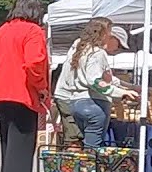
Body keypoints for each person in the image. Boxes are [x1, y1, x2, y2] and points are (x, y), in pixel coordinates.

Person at [0, 0, 49, 172]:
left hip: (0, 90)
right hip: (22, 91)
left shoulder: (2, 30)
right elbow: (35, 63)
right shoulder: (33, 31)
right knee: (22, 143)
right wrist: (41, 87)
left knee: (8, 142)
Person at [54, 17, 138, 153]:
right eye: (109, 34)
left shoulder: (80, 47)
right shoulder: (97, 53)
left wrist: (128, 87)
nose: (118, 49)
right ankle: (87, 166)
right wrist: (121, 92)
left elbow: (103, 78)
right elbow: (95, 80)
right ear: (105, 35)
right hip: (87, 101)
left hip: (75, 102)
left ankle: (75, 166)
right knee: (89, 148)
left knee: (76, 143)